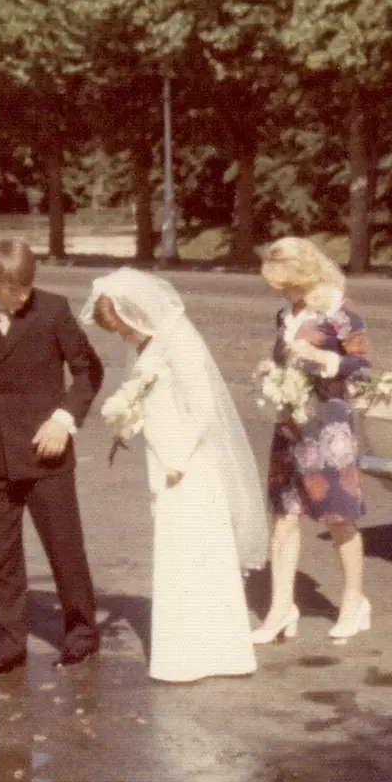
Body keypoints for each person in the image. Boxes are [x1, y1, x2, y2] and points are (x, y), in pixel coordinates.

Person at [80, 268, 268, 683]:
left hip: (190, 460)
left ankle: (213, 653)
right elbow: (145, 394)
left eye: (122, 329)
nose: (123, 338)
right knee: (177, 551)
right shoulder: (143, 344)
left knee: (198, 550)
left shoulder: (178, 339)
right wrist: (128, 420)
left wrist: (179, 459)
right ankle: (190, 651)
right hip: (161, 456)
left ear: (138, 314)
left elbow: (201, 404)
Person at [0, 238, 105, 681]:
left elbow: (89, 370)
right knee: (1, 555)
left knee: (64, 548)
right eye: (12, 289)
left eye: (27, 287)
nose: (22, 296)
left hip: (45, 451)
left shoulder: (52, 310)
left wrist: (64, 419)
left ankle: (81, 638)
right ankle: (7, 648)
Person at [253, 237, 373, 645]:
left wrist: (324, 359)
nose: (282, 292)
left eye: (287, 284)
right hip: (290, 423)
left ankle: (354, 601)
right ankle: (280, 608)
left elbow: (362, 368)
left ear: (305, 275)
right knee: (284, 517)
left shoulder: (340, 311)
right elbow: (285, 358)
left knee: (338, 516)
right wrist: (272, 367)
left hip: (328, 425)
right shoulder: (285, 314)